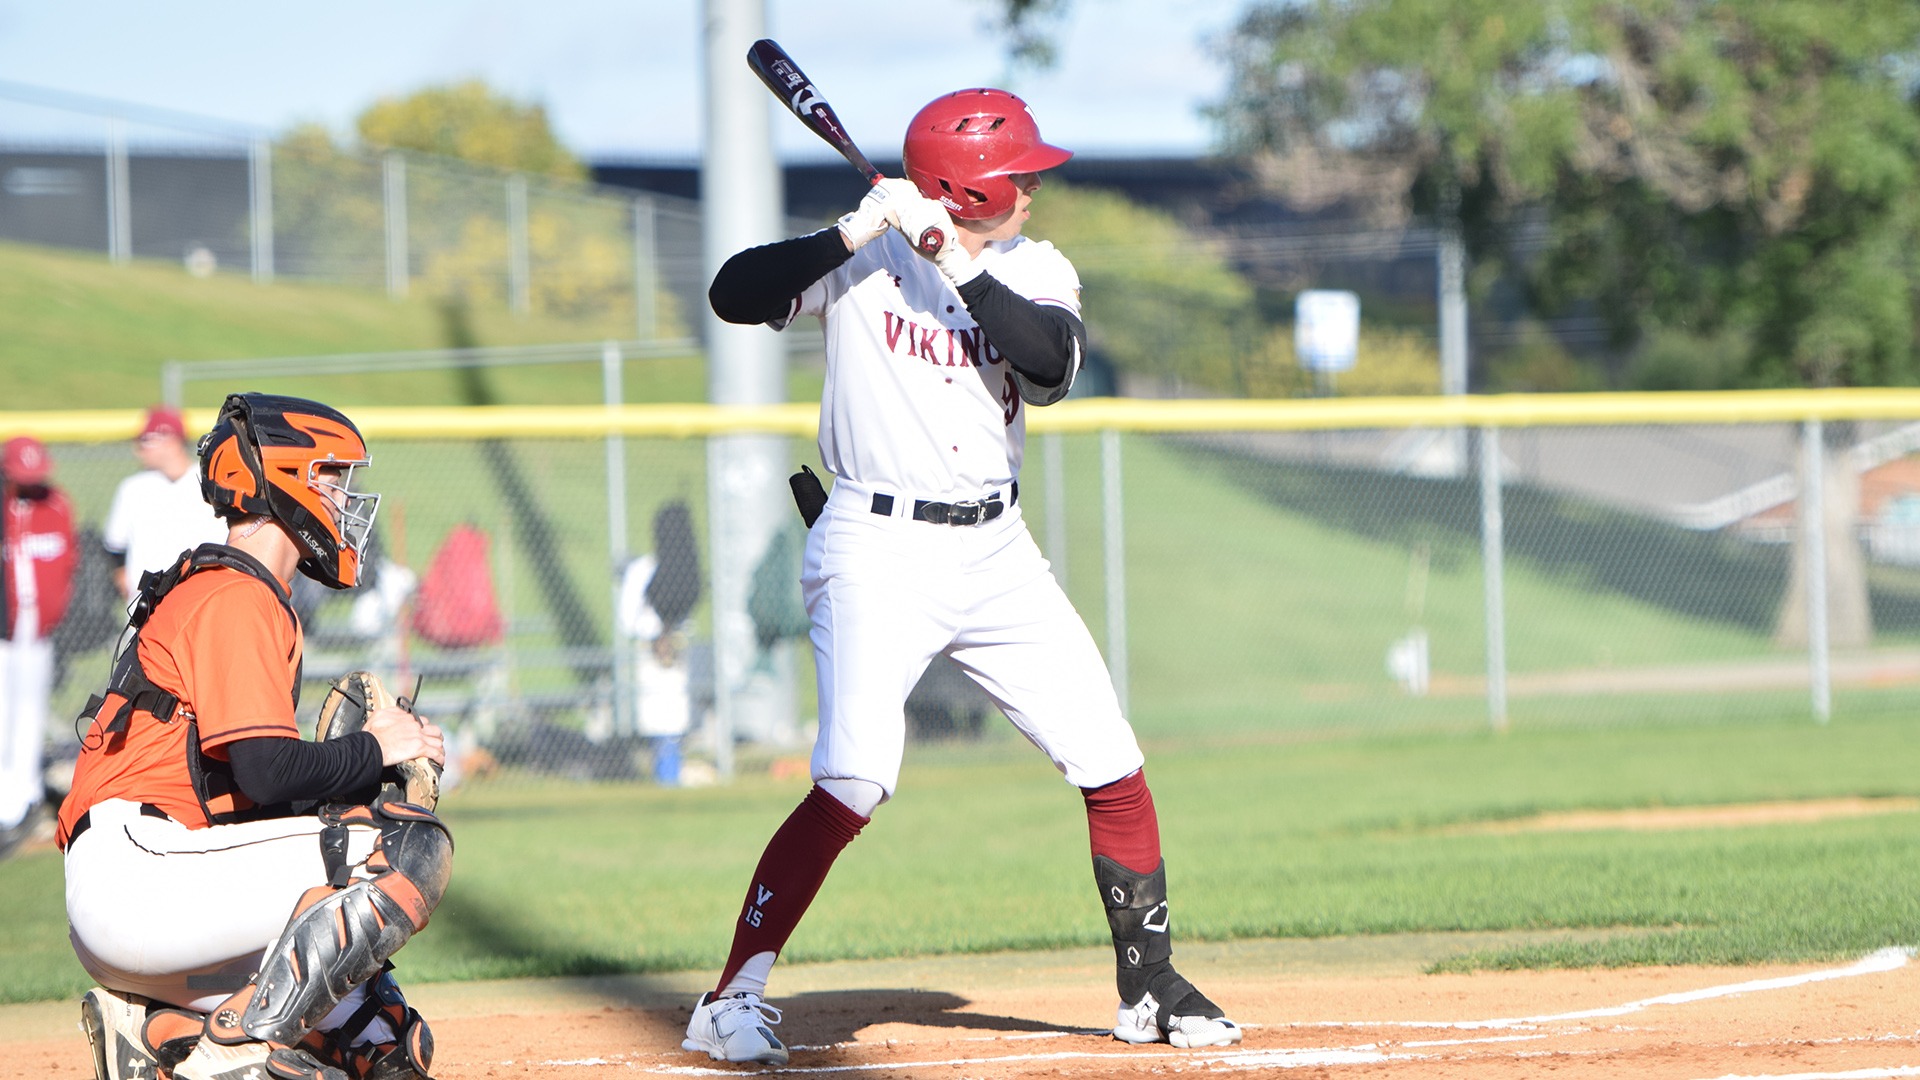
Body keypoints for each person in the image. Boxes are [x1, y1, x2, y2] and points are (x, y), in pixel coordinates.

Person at [686, 88, 1241, 1065]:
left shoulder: (1037, 265)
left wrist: (959, 261)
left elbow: (1052, 364)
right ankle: (730, 998)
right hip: (876, 544)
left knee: (1109, 760)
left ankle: (1147, 987)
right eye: (1016, 174)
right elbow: (734, 293)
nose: (1032, 186)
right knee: (855, 780)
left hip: (994, 549)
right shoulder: (863, 256)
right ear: (963, 184)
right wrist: (853, 231)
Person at [60, 393, 451, 1080]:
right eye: (333, 480)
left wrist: (367, 769)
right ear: (286, 480)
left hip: (156, 887)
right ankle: (230, 1050)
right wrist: (380, 748)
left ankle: (157, 1037)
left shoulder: (237, 591)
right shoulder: (236, 596)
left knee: (386, 1043)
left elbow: (256, 796)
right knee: (405, 846)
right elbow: (270, 772)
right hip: (143, 873)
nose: (343, 501)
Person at [0, 436, 76, 856]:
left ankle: (23, 796)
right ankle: (6, 801)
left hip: (39, 631)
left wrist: (55, 608)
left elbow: (67, 561)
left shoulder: (57, 504)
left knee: (29, 711)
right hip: (4, 631)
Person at [102, 405, 228, 603]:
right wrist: (122, 574)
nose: (138, 450)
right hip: (146, 601)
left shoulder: (211, 480)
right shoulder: (133, 488)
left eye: (146, 441)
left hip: (204, 595)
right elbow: (114, 544)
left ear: (171, 441)